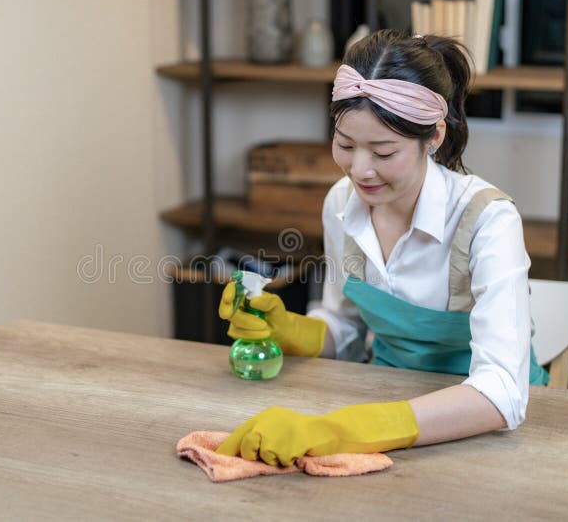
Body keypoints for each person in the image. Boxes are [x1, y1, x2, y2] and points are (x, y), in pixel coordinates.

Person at [215, 29, 549, 467]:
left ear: (433, 136)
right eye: (346, 145)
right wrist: (291, 330)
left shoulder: (488, 221)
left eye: (384, 151)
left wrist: (343, 431)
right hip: (380, 399)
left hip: (480, 429)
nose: (360, 170)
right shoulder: (341, 202)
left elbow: (502, 392)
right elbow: (347, 327)